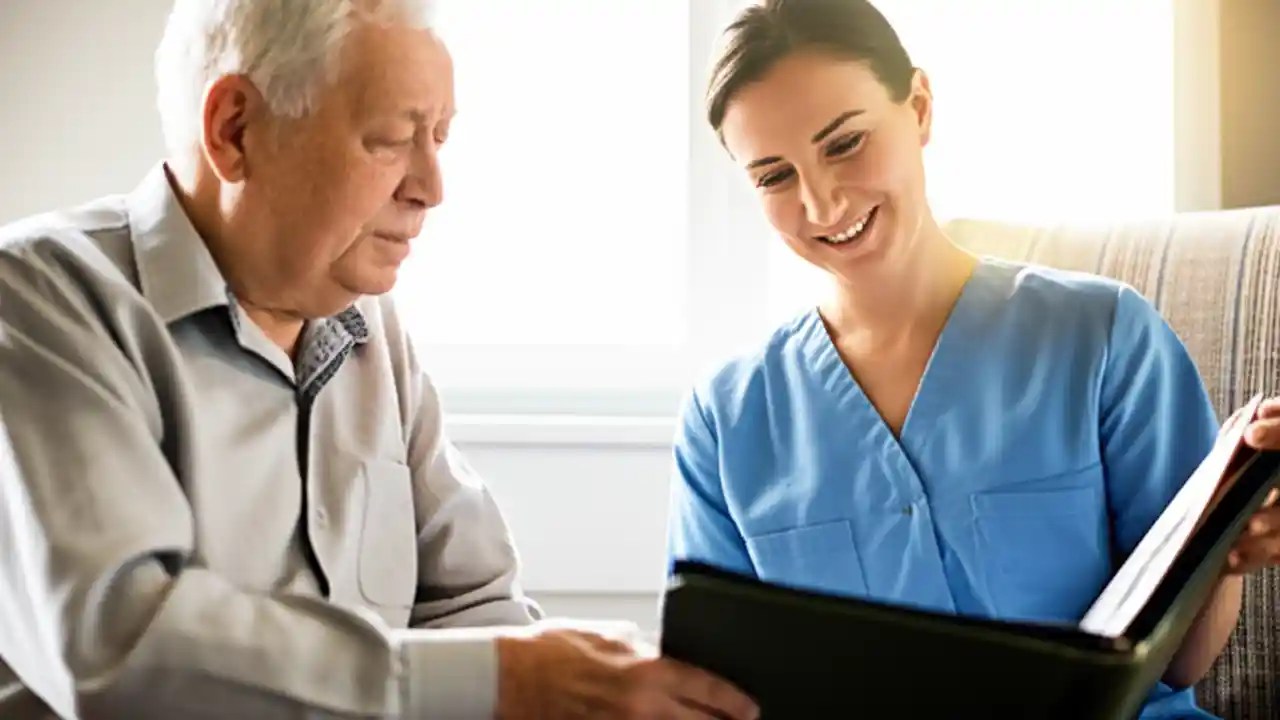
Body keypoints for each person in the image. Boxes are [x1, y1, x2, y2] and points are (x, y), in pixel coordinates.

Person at [0, 1, 759, 719]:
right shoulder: (41, 297)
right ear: (235, 130)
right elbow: (118, 648)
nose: (431, 188)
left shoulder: (366, 324)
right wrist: (509, 681)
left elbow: (473, 606)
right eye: (393, 138)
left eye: (440, 139)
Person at [664, 1, 1280, 718]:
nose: (822, 203)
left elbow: (1177, 663)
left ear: (919, 107)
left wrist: (1225, 547)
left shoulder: (1105, 338)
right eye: (774, 177)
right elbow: (714, 691)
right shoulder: (726, 420)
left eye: (846, 144)